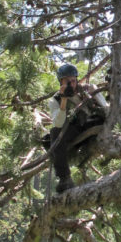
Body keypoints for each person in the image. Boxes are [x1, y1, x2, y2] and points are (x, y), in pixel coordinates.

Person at [48, 63, 107, 192]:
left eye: (73, 80)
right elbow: (58, 124)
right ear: (61, 82)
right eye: (67, 81)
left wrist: (92, 96)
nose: (71, 84)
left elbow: (106, 108)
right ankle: (65, 178)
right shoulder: (55, 100)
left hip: (93, 123)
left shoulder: (88, 88)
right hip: (74, 130)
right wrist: (64, 100)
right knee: (54, 133)